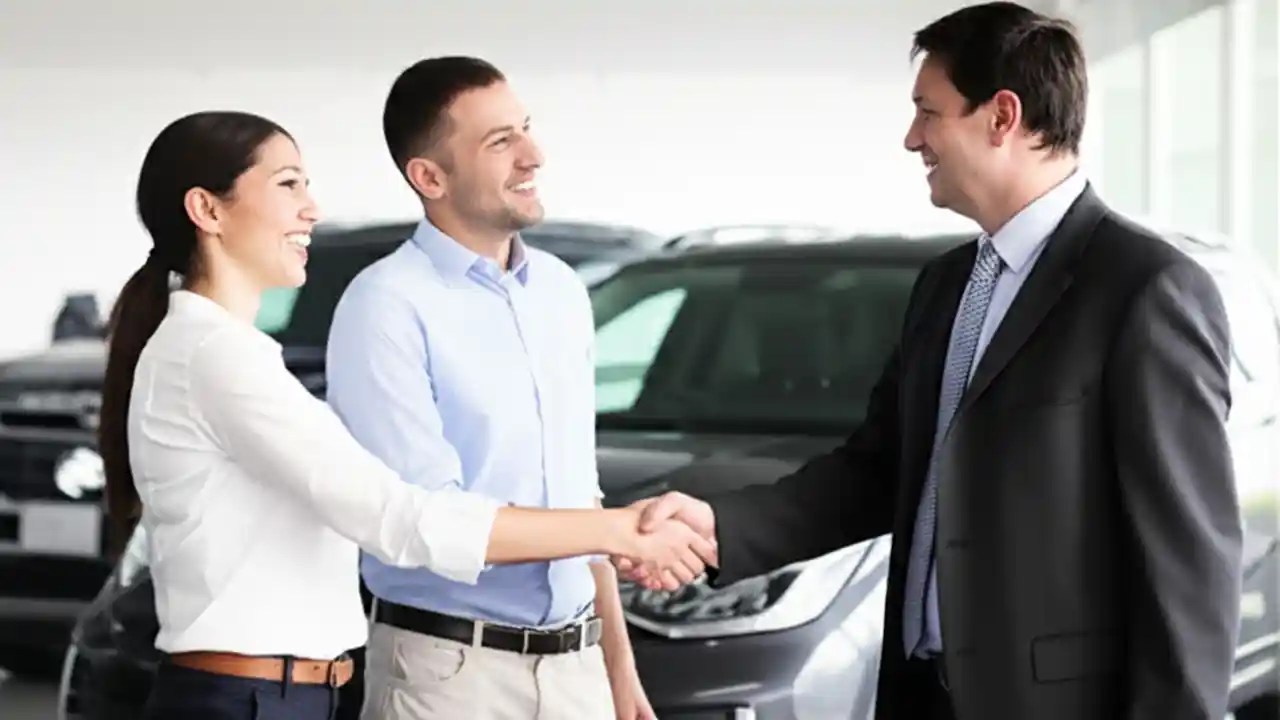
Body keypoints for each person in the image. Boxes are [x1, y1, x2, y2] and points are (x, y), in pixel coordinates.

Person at [623, 3, 1243, 719]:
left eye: (928, 112)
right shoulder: (947, 284)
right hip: (922, 695)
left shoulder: (1144, 289)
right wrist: (716, 527)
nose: (912, 137)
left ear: (1002, 116)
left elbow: (1188, 568)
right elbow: (878, 471)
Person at [97, 110, 715, 720]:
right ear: (207, 210)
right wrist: (615, 530)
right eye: (288, 184)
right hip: (248, 700)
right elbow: (400, 519)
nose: (311, 209)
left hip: (277, 695)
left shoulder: (228, 353)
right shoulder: (216, 357)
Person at [323, 56, 661, 720]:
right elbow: (430, 521)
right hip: (450, 677)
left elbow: (578, 493)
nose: (534, 156)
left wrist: (619, 672)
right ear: (430, 177)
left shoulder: (560, 291)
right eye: (500, 142)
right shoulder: (384, 304)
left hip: (579, 670)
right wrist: (625, 531)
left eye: (525, 129)